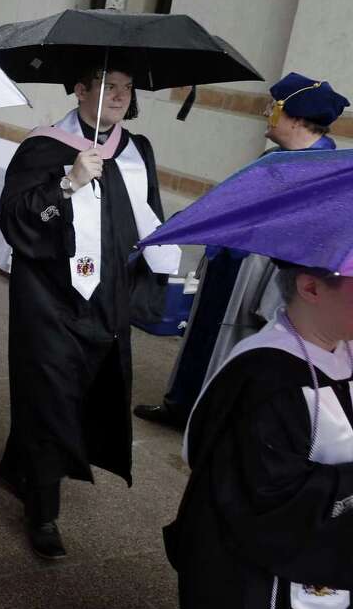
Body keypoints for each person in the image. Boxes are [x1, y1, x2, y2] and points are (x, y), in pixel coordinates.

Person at [148, 264, 353, 609]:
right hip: (257, 558)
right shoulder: (267, 377)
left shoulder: (341, 350)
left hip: (317, 550)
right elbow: (269, 501)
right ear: (311, 286)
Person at [0, 59, 176, 560]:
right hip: (49, 297)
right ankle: (44, 510)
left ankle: (19, 464)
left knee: (81, 391)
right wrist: (68, 183)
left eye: (125, 87)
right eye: (106, 85)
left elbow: (149, 219)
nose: (118, 96)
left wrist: (149, 280)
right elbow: (15, 219)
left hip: (107, 297)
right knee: (49, 390)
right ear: (79, 90)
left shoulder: (137, 151)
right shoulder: (44, 148)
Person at [135, 73, 348, 429]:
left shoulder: (322, 170)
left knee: (239, 343)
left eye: (274, 106)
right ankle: (182, 406)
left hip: (262, 276)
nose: (267, 112)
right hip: (229, 262)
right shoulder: (277, 158)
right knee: (202, 334)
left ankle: (214, 422)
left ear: (293, 116)